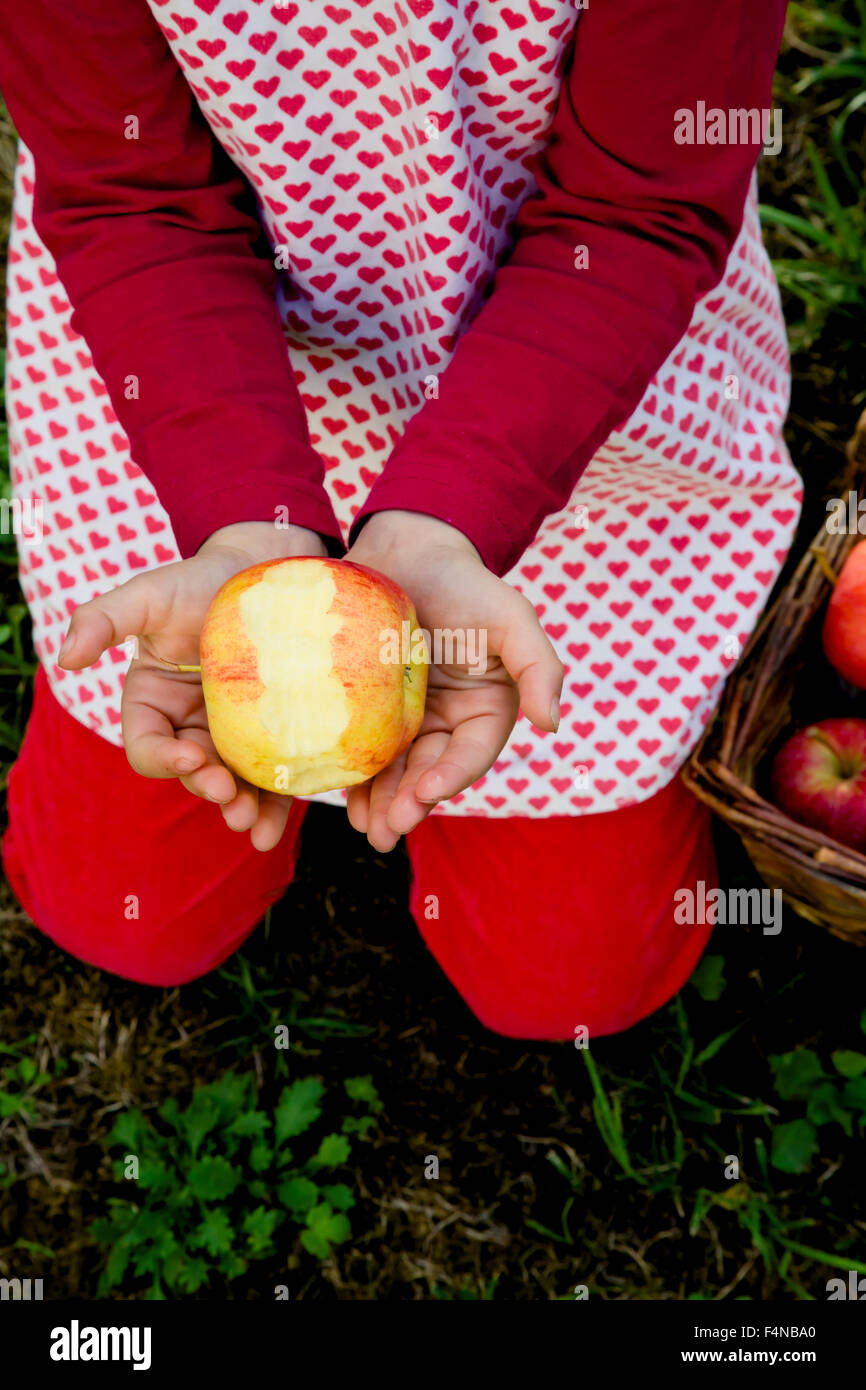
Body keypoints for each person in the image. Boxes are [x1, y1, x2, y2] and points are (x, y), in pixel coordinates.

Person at [0, 0, 800, 1036]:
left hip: (557, 401)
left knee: (571, 990)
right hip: (188, 398)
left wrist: (447, 518)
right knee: (121, 916)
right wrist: (241, 522)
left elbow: (634, 211)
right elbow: (130, 192)